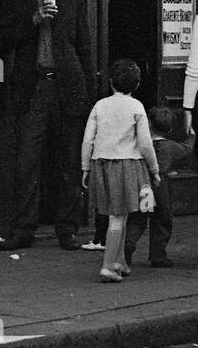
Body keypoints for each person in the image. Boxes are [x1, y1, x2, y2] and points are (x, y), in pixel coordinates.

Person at [0, 0, 96, 251]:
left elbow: (84, 49)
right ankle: (23, 230)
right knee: (27, 161)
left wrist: (89, 97)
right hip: (34, 87)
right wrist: (34, 21)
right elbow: (2, 40)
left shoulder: (73, 3)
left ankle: (68, 230)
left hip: (67, 89)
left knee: (69, 161)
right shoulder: (16, 0)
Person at [81, 59, 160, 283]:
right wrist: (154, 169)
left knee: (119, 214)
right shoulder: (137, 107)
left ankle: (120, 261)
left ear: (110, 82)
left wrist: (85, 167)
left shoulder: (100, 105)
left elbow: (88, 140)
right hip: (128, 164)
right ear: (136, 85)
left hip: (102, 163)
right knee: (119, 215)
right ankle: (108, 265)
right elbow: (145, 143)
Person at [126, 106, 191, 269]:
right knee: (162, 220)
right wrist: (191, 135)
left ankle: (128, 245)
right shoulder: (170, 147)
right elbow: (187, 150)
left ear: (148, 125)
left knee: (138, 219)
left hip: (143, 185)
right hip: (160, 187)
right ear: (169, 129)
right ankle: (158, 256)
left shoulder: (139, 144)